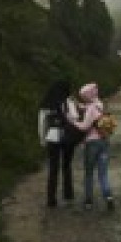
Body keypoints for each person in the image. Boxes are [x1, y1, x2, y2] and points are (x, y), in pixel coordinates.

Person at [37, 79, 79, 208]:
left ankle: (51, 198)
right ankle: (68, 193)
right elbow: (75, 117)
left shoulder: (46, 104)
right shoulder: (68, 101)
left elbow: (42, 125)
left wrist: (43, 140)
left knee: (53, 169)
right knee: (66, 166)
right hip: (67, 138)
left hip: (52, 137)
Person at [73, 82, 114, 211]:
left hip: (92, 143)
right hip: (104, 141)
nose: (82, 98)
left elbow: (85, 126)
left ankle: (88, 201)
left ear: (87, 96)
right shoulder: (99, 105)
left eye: (83, 96)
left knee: (89, 173)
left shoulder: (90, 109)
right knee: (103, 173)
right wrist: (79, 106)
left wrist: (73, 122)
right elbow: (85, 107)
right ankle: (108, 196)